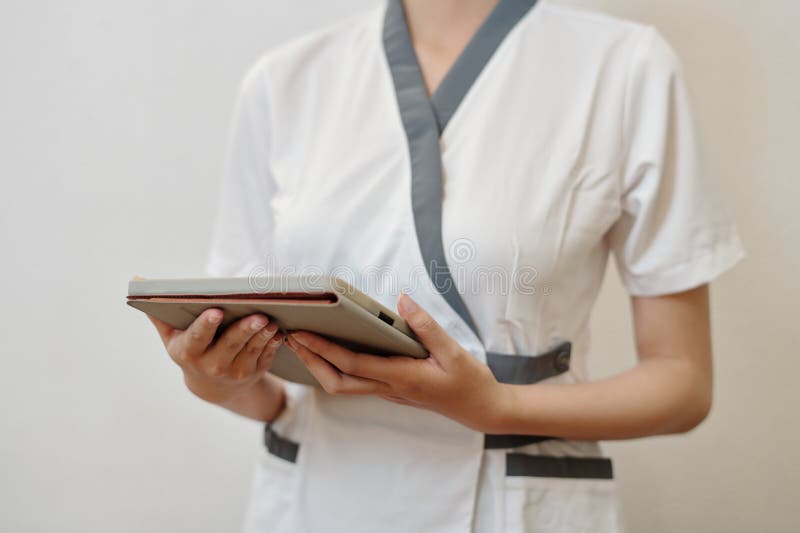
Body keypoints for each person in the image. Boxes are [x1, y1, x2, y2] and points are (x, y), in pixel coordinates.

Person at [146, 0, 745, 531]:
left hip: (506, 500)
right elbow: (267, 393)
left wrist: (497, 407)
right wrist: (213, 376)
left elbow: (683, 383)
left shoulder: (624, 67)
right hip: (319, 496)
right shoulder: (284, 81)